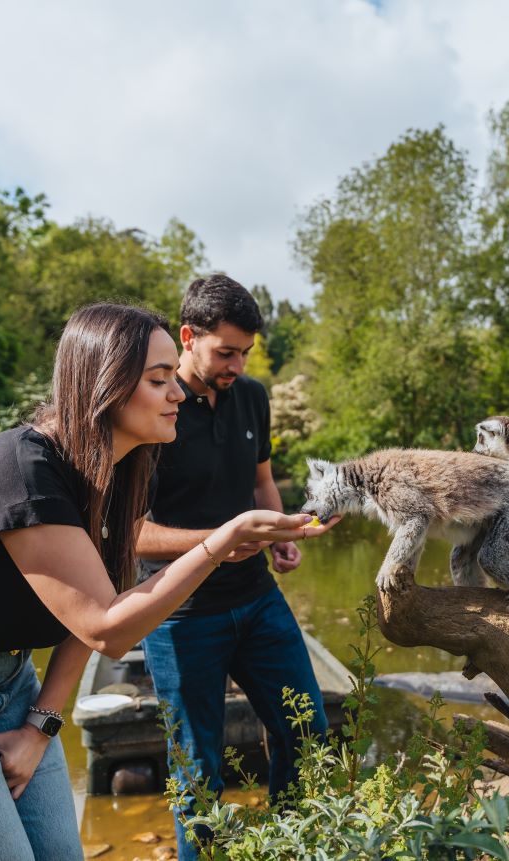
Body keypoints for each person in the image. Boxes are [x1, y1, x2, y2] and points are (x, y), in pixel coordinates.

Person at [0, 303, 336, 861]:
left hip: (9, 676)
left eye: (173, 377)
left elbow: (101, 603)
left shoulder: (126, 467)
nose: (178, 394)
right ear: (105, 386)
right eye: (159, 380)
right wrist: (221, 542)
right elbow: (107, 630)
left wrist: (39, 727)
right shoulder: (23, 470)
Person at [136, 274, 325, 859]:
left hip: (257, 599)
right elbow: (131, 533)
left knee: (308, 733)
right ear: (188, 337)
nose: (237, 366)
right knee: (197, 771)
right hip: (180, 613)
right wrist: (220, 541)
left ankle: (294, 849)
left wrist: (280, 533)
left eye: (245, 353)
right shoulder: (151, 407)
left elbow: (261, 480)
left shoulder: (252, 396)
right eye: (226, 352)